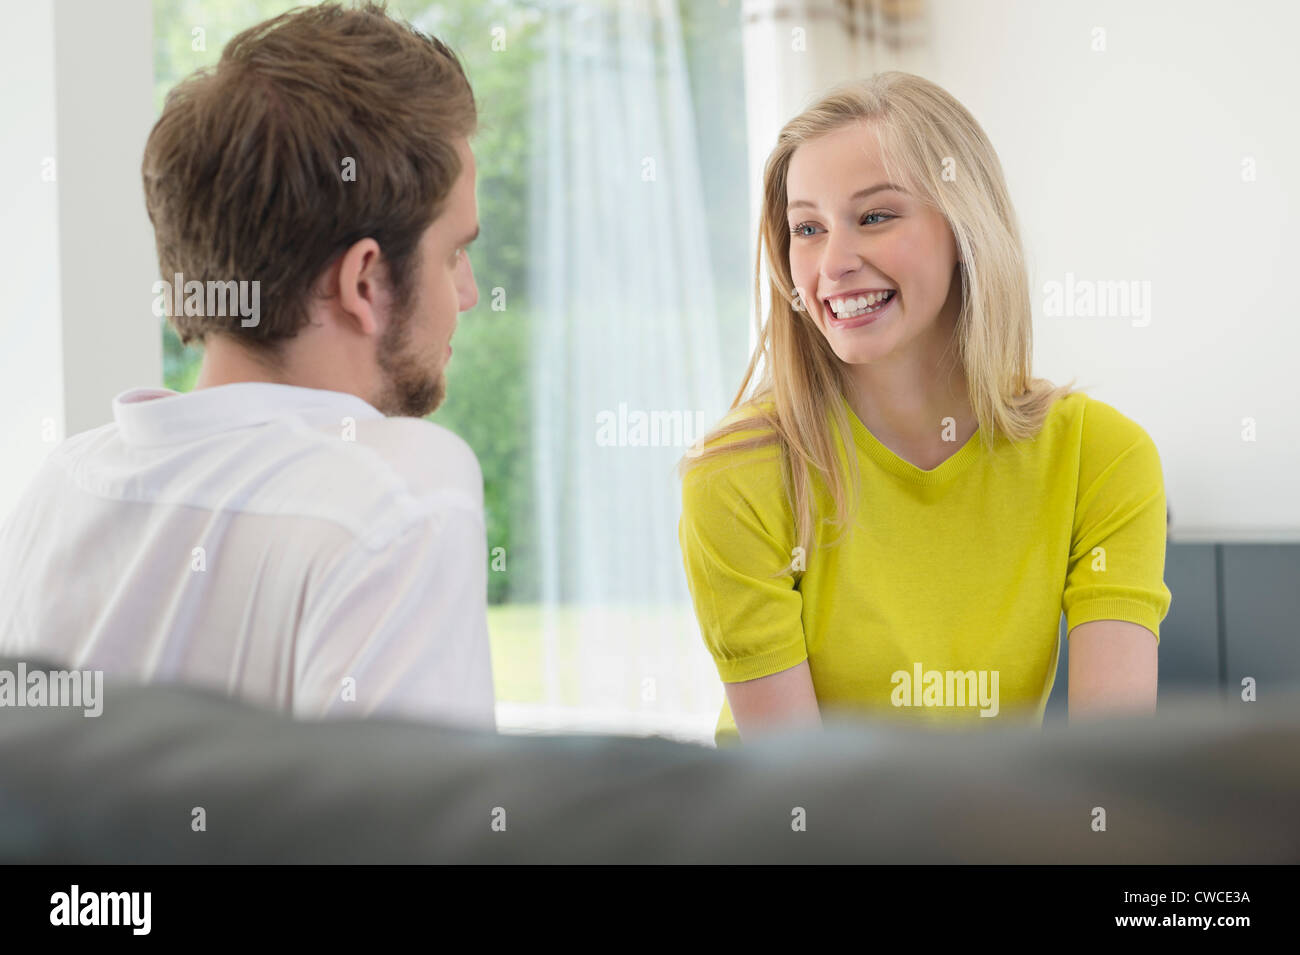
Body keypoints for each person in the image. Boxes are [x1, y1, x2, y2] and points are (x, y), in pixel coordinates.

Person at [0, 2, 495, 730]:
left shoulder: (60, 488)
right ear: (365, 282)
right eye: (453, 252)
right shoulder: (403, 494)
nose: (470, 293)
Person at [677, 72, 1171, 746]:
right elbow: (797, 803)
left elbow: (1111, 772)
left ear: (967, 227)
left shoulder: (1101, 457)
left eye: (875, 216)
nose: (833, 262)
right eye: (807, 228)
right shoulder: (737, 477)